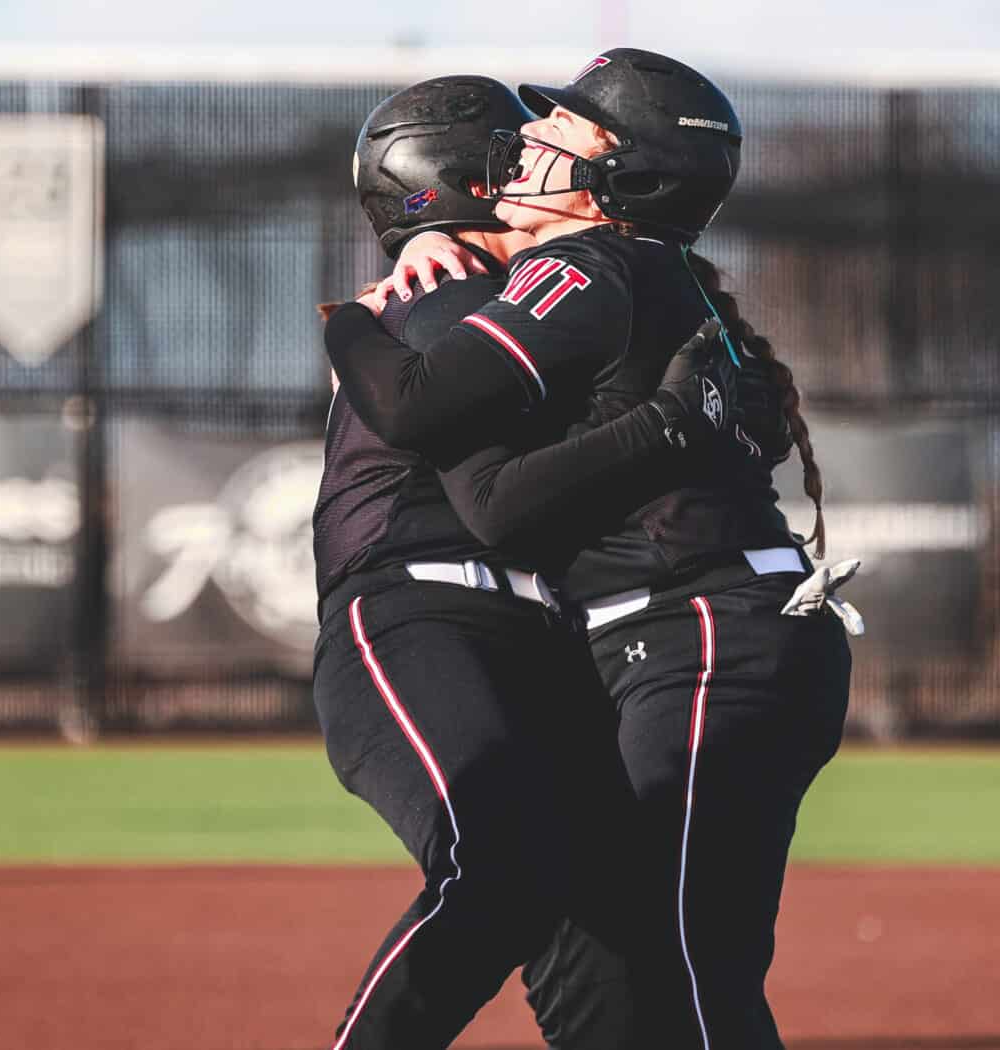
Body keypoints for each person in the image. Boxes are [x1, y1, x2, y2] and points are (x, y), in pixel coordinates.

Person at [326, 49, 859, 1049]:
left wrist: (356, 318)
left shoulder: (595, 265)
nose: (527, 144)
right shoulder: (646, 283)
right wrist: (665, 426)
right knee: (667, 963)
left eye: (560, 132)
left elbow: (413, 404)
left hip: (704, 632)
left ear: (629, 180)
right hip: (707, 634)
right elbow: (495, 507)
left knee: (688, 966)